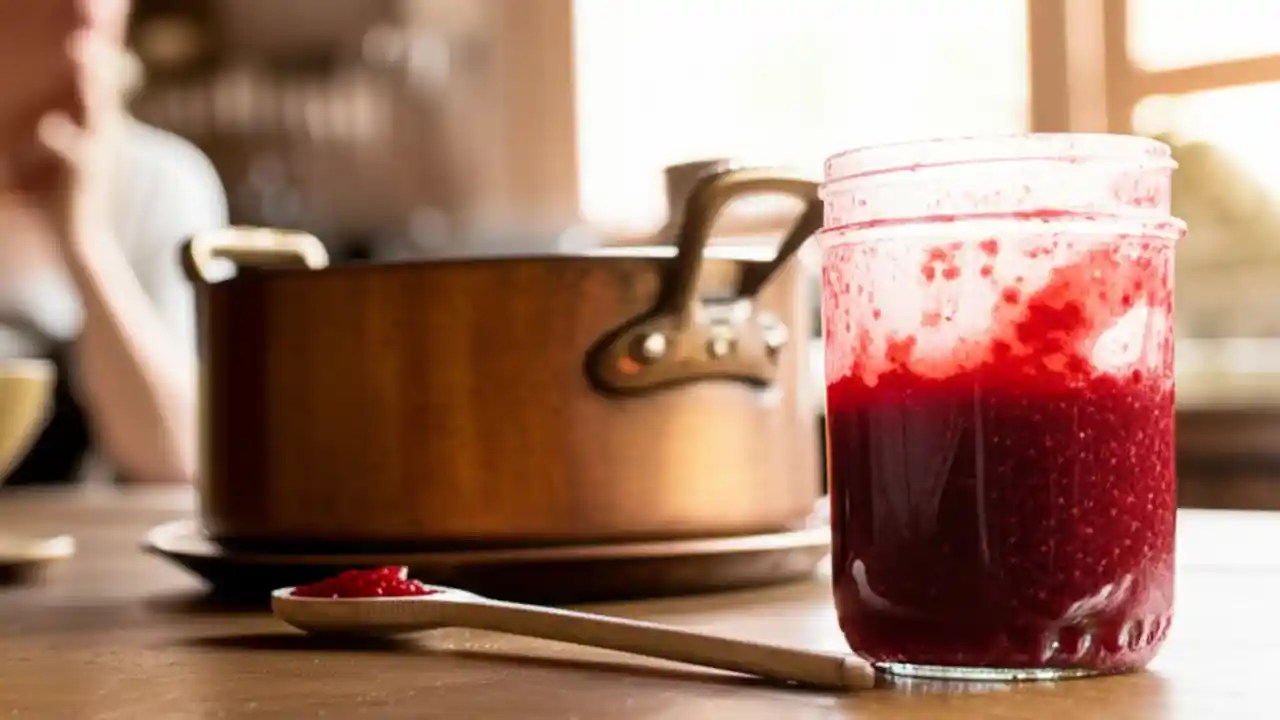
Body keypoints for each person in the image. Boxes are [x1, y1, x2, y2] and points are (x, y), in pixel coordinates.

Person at [0, 0, 226, 486]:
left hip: (104, 552)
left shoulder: (165, 181)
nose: (83, 5)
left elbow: (176, 460)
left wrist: (83, 239)